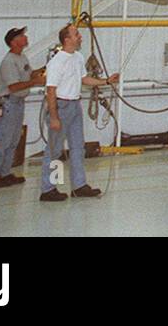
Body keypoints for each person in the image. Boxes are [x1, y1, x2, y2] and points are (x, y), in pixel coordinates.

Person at [40, 24, 119, 202]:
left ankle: (79, 186)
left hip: (75, 105)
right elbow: (50, 91)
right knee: (55, 150)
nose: (80, 36)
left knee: (78, 148)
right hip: (60, 106)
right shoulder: (57, 62)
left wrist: (106, 81)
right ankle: (48, 189)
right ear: (67, 39)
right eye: (76, 34)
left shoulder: (77, 57)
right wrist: (54, 117)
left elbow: (84, 79)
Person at [0, 27, 44, 189]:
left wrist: (45, 68)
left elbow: (29, 74)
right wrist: (35, 82)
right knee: (2, 140)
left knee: (13, 140)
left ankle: (4, 173)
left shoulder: (22, 57)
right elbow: (14, 86)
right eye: (22, 36)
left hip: (18, 104)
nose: (26, 37)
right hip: (9, 103)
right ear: (13, 41)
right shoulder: (8, 62)